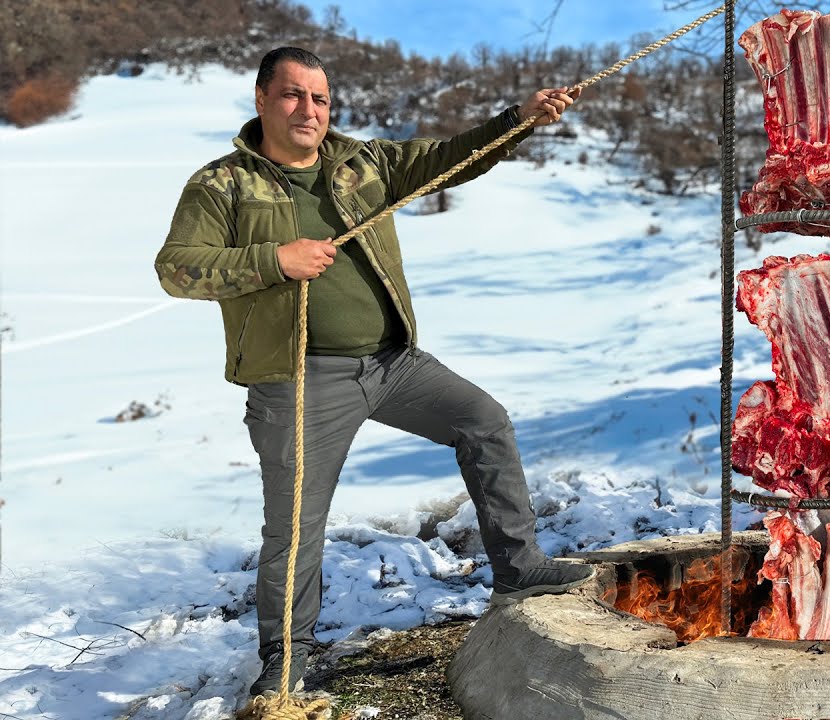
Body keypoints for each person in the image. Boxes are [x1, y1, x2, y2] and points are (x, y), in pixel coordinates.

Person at [154, 46, 592, 697]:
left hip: (394, 364)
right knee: (296, 527)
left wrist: (519, 119)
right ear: (261, 99)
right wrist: (275, 259)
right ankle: (287, 659)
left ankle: (519, 568)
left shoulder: (363, 162)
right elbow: (177, 268)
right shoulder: (223, 185)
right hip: (298, 377)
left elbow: (450, 158)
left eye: (321, 98)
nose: (309, 109)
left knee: (485, 422)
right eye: (293, 95)